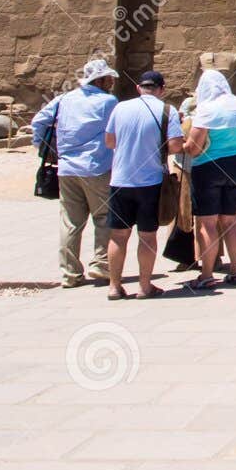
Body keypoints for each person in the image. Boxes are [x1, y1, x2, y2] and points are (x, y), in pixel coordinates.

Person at [31, 57, 119, 288]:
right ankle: (100, 264)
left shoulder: (64, 100)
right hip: (96, 167)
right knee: (103, 217)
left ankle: (70, 273)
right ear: (100, 80)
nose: (111, 81)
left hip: (67, 168)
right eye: (109, 78)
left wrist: (44, 149)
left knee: (71, 221)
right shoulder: (108, 102)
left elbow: (38, 121)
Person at [103, 70, 183, 299]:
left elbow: (110, 141)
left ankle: (114, 286)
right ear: (161, 89)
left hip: (120, 179)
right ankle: (144, 285)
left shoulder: (120, 108)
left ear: (139, 88)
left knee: (118, 236)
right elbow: (176, 145)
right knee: (147, 236)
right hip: (150, 181)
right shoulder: (167, 110)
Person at [182, 69, 236, 290]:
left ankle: (206, 273)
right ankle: (235, 270)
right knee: (230, 219)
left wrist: (182, 145)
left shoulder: (206, 109)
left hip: (209, 168)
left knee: (207, 222)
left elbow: (194, 148)